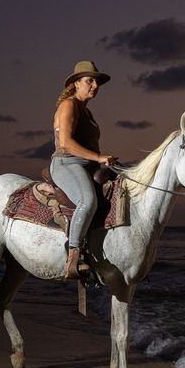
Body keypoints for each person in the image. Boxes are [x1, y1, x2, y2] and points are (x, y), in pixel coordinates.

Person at [51, 60, 118, 280]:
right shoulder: (68, 105)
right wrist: (99, 157)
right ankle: (73, 256)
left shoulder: (88, 114)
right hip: (67, 163)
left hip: (89, 165)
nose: (95, 86)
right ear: (76, 83)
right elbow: (66, 143)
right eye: (89, 81)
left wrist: (103, 163)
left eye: (97, 82)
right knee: (88, 201)